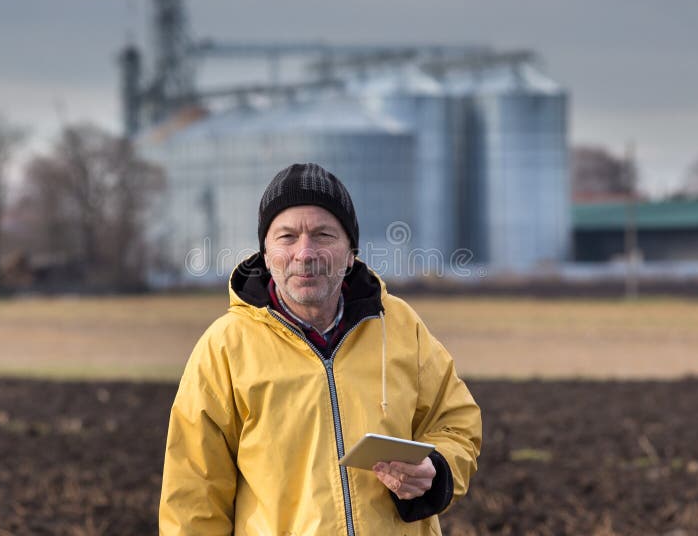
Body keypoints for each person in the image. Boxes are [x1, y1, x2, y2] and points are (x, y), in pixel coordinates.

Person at [159, 163, 482, 535]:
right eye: (287, 236)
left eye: (323, 234)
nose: (305, 252)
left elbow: (457, 423)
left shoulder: (399, 326)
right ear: (265, 252)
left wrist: (437, 469)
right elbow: (192, 497)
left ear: (350, 254)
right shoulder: (225, 348)